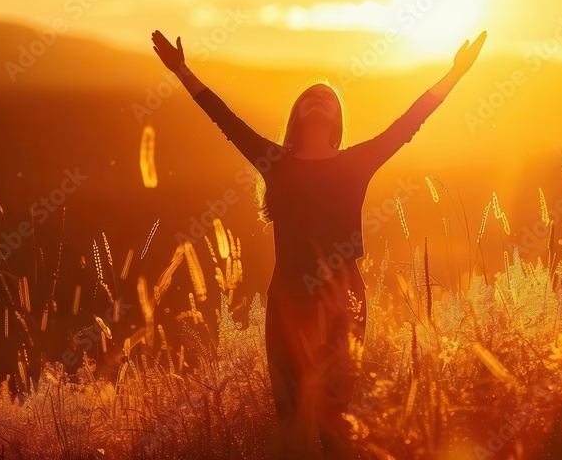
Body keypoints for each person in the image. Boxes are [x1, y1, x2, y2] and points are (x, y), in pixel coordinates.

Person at [151, 29, 487, 458]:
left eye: (327, 97)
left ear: (337, 118)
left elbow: (410, 122)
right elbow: (225, 120)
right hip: (289, 296)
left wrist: (456, 73)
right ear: (296, 113)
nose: (318, 99)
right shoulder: (276, 162)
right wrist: (182, 71)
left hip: (344, 297)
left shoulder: (357, 162)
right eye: (310, 96)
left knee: (336, 416)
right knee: (291, 416)